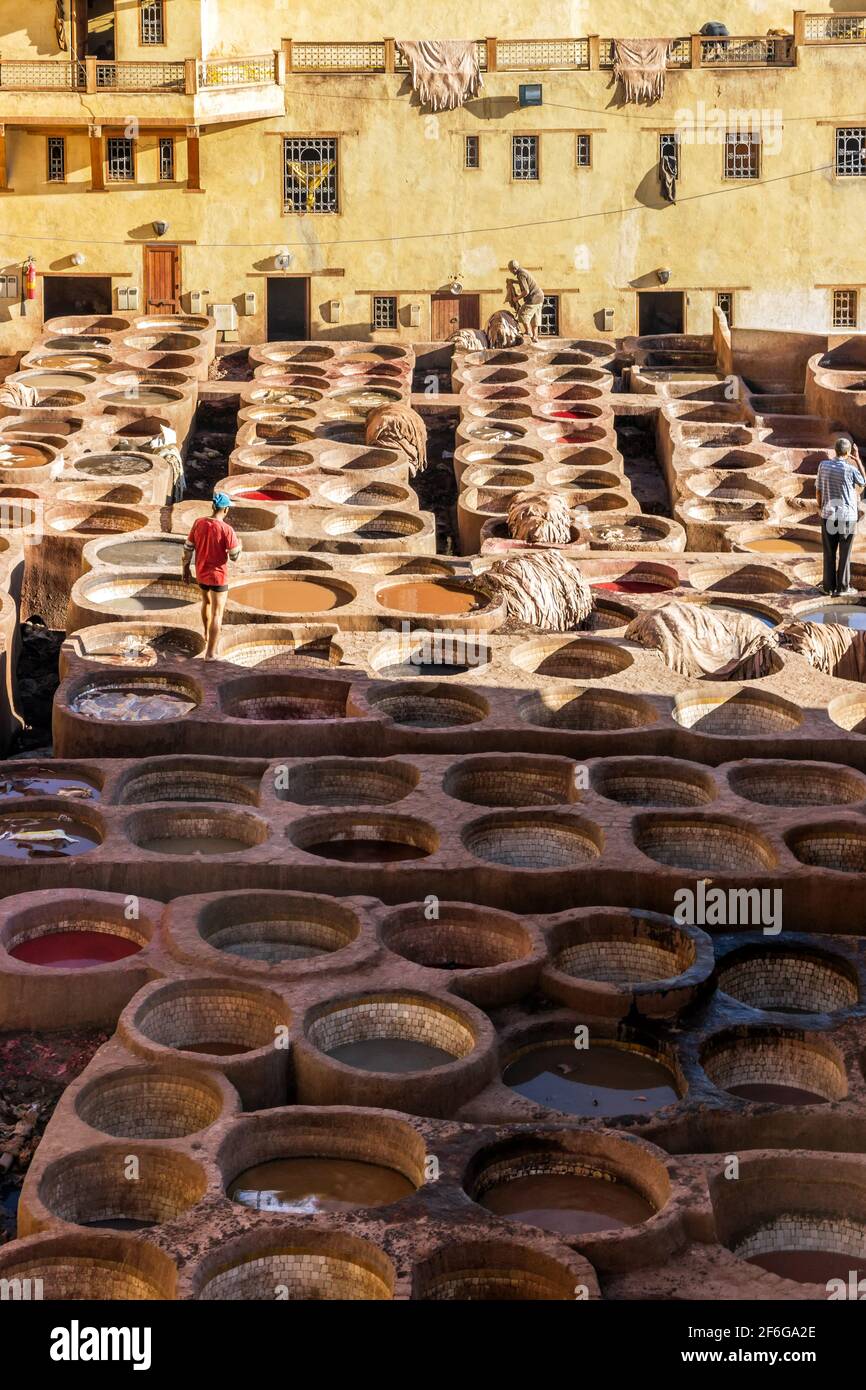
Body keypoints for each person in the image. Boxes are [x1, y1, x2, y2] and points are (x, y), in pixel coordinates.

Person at [182, 491, 241, 658]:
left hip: (201, 573)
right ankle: (210, 654)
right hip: (218, 576)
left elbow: (187, 548)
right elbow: (234, 557)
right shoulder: (227, 529)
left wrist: (185, 568)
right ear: (226, 509)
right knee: (217, 613)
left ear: (213, 507)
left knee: (206, 603)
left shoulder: (198, 523)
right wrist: (240, 547)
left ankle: (207, 635)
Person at [816, 437, 865, 597]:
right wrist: (858, 460)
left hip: (828, 514)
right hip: (847, 517)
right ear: (848, 452)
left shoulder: (823, 465)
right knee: (845, 553)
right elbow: (863, 482)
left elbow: (818, 490)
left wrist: (820, 507)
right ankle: (843, 588)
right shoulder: (850, 469)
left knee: (829, 552)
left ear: (834, 450)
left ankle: (828, 587)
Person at [506, 260, 544, 344]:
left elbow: (526, 291)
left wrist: (516, 298)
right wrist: (514, 281)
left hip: (533, 298)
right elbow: (525, 283)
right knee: (534, 317)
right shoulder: (523, 271)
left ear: (514, 269)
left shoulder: (520, 274)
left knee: (522, 314)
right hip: (540, 297)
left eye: (510, 270)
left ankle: (528, 332)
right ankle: (535, 337)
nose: (511, 272)